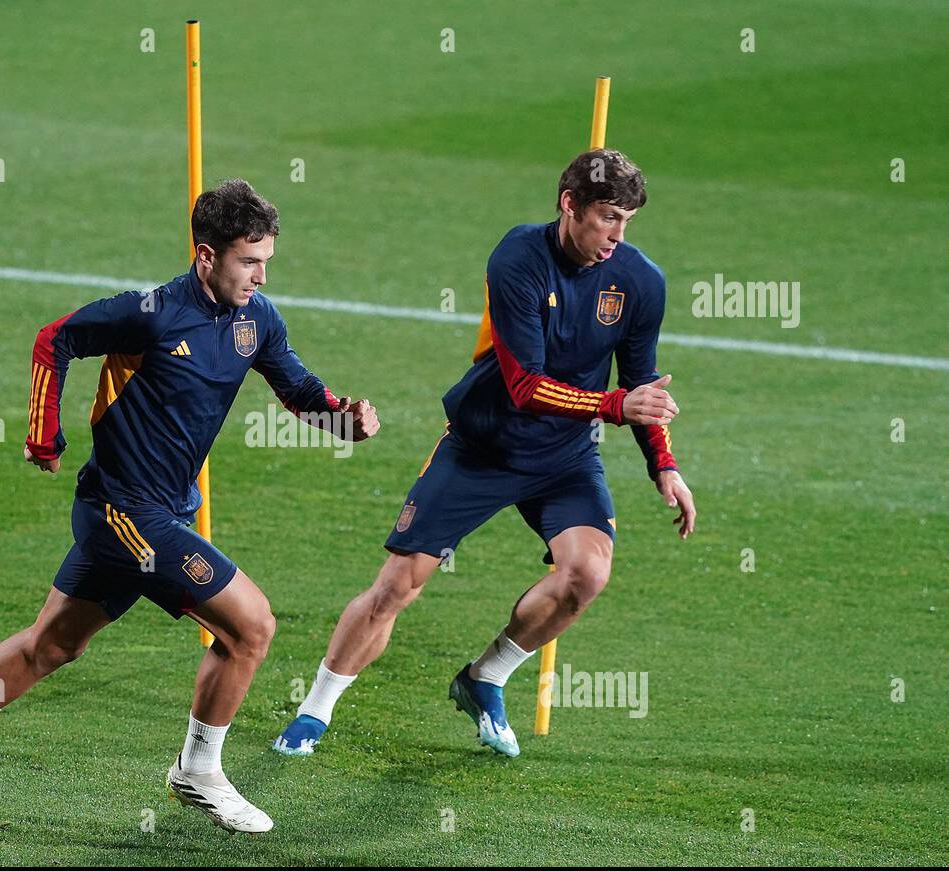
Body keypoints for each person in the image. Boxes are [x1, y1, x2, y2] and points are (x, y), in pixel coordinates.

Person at [0, 179, 379, 833]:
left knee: (52, 646)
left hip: (163, 513)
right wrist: (43, 432)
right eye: (249, 259)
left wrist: (343, 421)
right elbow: (56, 339)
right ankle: (198, 770)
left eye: (266, 258)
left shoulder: (257, 320)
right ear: (207, 257)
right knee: (252, 626)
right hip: (120, 514)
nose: (261, 273)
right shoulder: (152, 312)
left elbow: (298, 390)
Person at [274, 149, 694, 759]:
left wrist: (664, 463)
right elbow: (527, 386)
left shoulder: (640, 281)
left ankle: (485, 677)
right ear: (568, 204)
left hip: (566, 457)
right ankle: (316, 709)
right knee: (397, 586)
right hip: (483, 444)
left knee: (586, 574)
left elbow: (643, 384)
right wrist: (613, 406)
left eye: (627, 220)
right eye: (607, 217)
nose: (617, 236)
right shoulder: (519, 258)